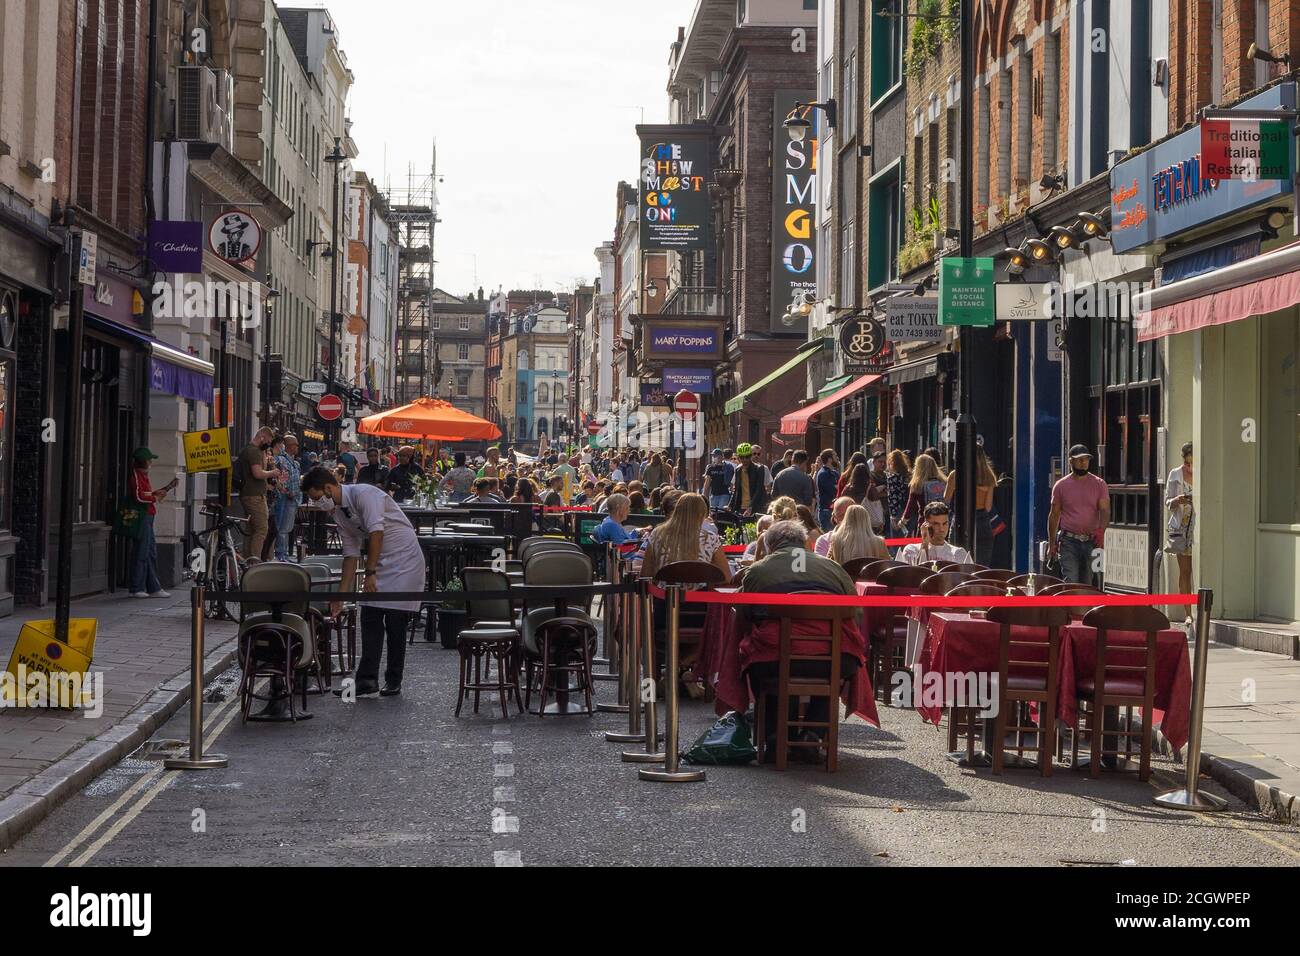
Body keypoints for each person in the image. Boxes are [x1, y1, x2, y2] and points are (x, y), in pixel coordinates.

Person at [740, 520, 864, 761]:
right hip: (833, 658)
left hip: (774, 658)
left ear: (769, 545)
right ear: (806, 543)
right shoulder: (833, 568)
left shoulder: (758, 571)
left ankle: (775, 734)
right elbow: (856, 614)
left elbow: (745, 615)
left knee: (756, 661)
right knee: (836, 670)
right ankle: (813, 733)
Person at [302, 467, 424, 698]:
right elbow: (350, 554)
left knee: (395, 619)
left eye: (317, 498)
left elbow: (376, 533)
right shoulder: (339, 512)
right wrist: (341, 595)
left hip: (403, 557)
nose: (317, 503)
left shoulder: (364, 494)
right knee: (369, 616)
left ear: (328, 489)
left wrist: (370, 572)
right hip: (379, 560)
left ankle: (394, 679)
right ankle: (366, 680)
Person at [1047, 444, 1110, 584]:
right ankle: (1071, 606)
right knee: (1071, 580)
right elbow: (1054, 515)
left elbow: (1105, 510)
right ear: (1071, 461)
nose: (1083, 463)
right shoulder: (1061, 486)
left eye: (1086, 459)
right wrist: (1052, 544)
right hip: (1068, 541)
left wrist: (1101, 531)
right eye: (1079, 460)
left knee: (1090, 582)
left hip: (1092, 541)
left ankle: (1085, 606)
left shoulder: (1099, 484)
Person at [641, 492, 730, 584]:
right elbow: (726, 577)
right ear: (701, 515)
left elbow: (645, 574)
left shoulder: (657, 534)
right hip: (700, 597)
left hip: (665, 596)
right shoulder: (710, 538)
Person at [127, 448, 176, 598]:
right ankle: (137, 587)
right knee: (142, 551)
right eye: (149, 460)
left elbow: (145, 494)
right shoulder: (135, 476)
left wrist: (162, 490)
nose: (151, 463)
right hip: (142, 517)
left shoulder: (142, 475)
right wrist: (154, 498)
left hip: (147, 516)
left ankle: (153, 586)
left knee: (149, 552)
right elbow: (138, 497)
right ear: (144, 462)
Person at [944, 445, 999, 566]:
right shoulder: (989, 477)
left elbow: (946, 499)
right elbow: (988, 507)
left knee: (956, 562)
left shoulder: (955, 475)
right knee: (981, 567)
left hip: (960, 518)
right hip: (982, 522)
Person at [237, 426, 282, 563]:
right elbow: (258, 473)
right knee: (262, 529)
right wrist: (272, 473)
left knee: (251, 530)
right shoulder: (253, 452)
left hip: (249, 493)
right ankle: (254, 563)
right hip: (254, 496)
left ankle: (247, 561)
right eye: (267, 441)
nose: (268, 445)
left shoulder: (251, 450)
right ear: (262, 437)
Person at [1165, 442, 1195, 622]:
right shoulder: (1175, 474)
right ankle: (1188, 613)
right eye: (1188, 458)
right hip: (1182, 527)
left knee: (1197, 569)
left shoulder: (1203, 471)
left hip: (1198, 526)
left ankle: (1200, 609)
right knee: (1185, 571)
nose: (1190, 463)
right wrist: (1178, 499)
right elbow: (1168, 501)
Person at [900, 501, 972, 566]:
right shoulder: (911, 550)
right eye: (936, 524)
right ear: (926, 525)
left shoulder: (959, 553)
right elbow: (915, 575)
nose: (941, 529)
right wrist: (924, 545)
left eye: (944, 524)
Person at [273, 434, 303, 562]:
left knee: (287, 527)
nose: (297, 447)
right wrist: (286, 491)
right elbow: (280, 477)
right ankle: (281, 554)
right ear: (290, 445)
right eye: (296, 444)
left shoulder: (295, 462)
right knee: (283, 527)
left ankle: (284, 553)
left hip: (294, 498)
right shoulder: (281, 459)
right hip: (285, 497)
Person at [902, 454, 948, 533]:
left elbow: (910, 505)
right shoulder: (943, 482)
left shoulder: (917, 485)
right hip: (942, 523)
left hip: (925, 522)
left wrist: (903, 520)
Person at [729, 444, 770, 516]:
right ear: (738, 457)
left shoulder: (759, 468)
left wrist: (751, 507)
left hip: (757, 506)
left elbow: (759, 489)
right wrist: (730, 506)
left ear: (750, 456)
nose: (744, 460)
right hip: (742, 507)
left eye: (747, 457)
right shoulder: (738, 470)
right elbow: (736, 491)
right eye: (742, 457)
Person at [885, 449, 913, 535]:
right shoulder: (910, 476)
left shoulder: (892, 478)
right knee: (908, 537)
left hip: (898, 510)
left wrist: (893, 517)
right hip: (910, 509)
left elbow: (892, 498)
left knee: (896, 540)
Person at [813, 449, 840, 530]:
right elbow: (833, 491)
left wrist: (837, 487)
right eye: (835, 456)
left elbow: (839, 488)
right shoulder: (823, 473)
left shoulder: (834, 473)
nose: (837, 458)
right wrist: (836, 487)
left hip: (833, 511)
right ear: (829, 459)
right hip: (826, 512)